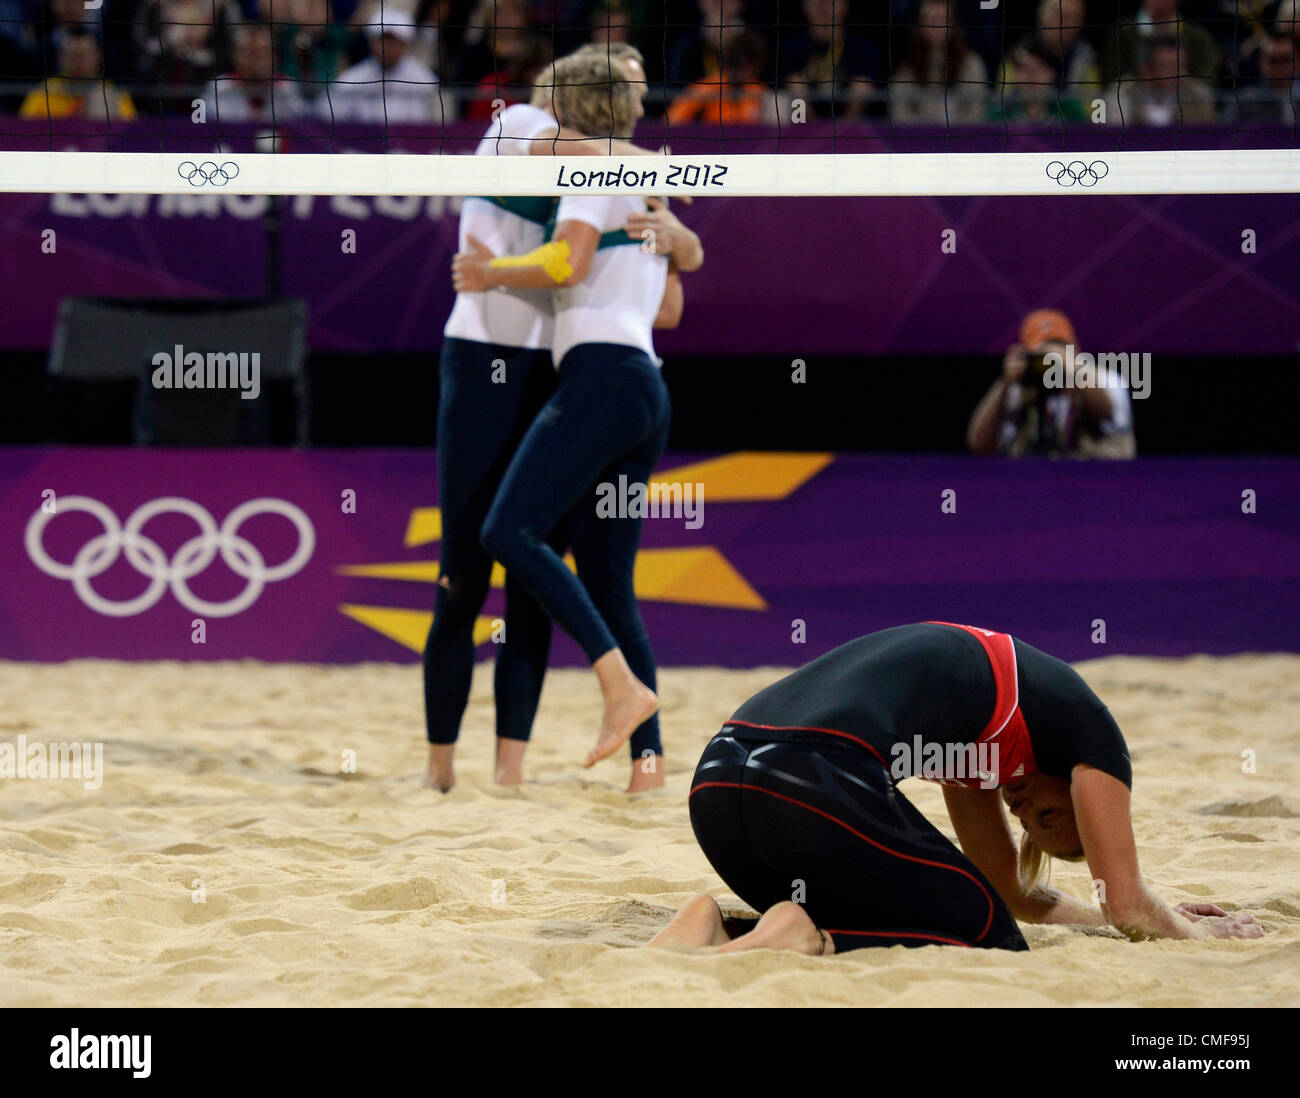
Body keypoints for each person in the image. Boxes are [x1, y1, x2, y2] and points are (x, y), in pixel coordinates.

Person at [650, 621, 1265, 953]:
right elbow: (1124, 904)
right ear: (1078, 790)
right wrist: (1196, 929)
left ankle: (714, 924)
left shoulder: (976, 731)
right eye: (1049, 818)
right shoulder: (1092, 737)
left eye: (1028, 827)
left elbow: (1005, 888)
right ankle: (803, 933)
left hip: (720, 785)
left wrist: (1110, 922)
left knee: (952, 906)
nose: (1022, 815)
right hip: (807, 783)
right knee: (993, 941)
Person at [422, 46, 681, 794]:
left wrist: (672, 213)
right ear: (576, 94)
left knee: (528, 567)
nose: (636, 91)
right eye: (623, 83)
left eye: (638, 80)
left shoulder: (606, 179)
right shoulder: (528, 124)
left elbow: (667, 289)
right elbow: (583, 167)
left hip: (565, 369)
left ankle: (511, 770)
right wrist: (661, 168)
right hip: (484, 357)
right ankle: (440, 769)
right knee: (464, 574)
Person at [966, 308, 1136, 459]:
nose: (1053, 360)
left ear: (1075, 347)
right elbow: (979, 446)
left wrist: (1072, 366)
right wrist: (1005, 382)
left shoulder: (1106, 378)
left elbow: (1105, 414)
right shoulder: (1019, 386)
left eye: (1061, 346)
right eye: (1042, 352)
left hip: (1093, 480)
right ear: (1026, 355)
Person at [325, 8, 443, 124]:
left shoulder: (424, 79)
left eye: (394, 40)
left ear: (406, 44)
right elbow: (328, 117)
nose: (387, 47)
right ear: (371, 42)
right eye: (383, 40)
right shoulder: (353, 79)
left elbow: (441, 120)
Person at [889, 0, 988, 125]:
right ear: (920, 25)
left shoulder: (971, 64)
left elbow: (977, 111)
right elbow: (898, 112)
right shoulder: (907, 67)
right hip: (918, 140)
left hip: (961, 139)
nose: (937, 27)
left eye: (943, 20)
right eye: (930, 20)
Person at [202, 22, 305, 123]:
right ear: (234, 55)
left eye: (263, 52)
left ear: (275, 56)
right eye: (250, 53)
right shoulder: (219, 88)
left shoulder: (287, 89)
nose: (256, 60)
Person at [20, 30, 136, 119]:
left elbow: (128, 130)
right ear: (61, 57)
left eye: (84, 54)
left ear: (99, 56)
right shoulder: (44, 92)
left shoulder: (113, 93)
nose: (78, 60)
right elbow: (25, 127)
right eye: (72, 54)